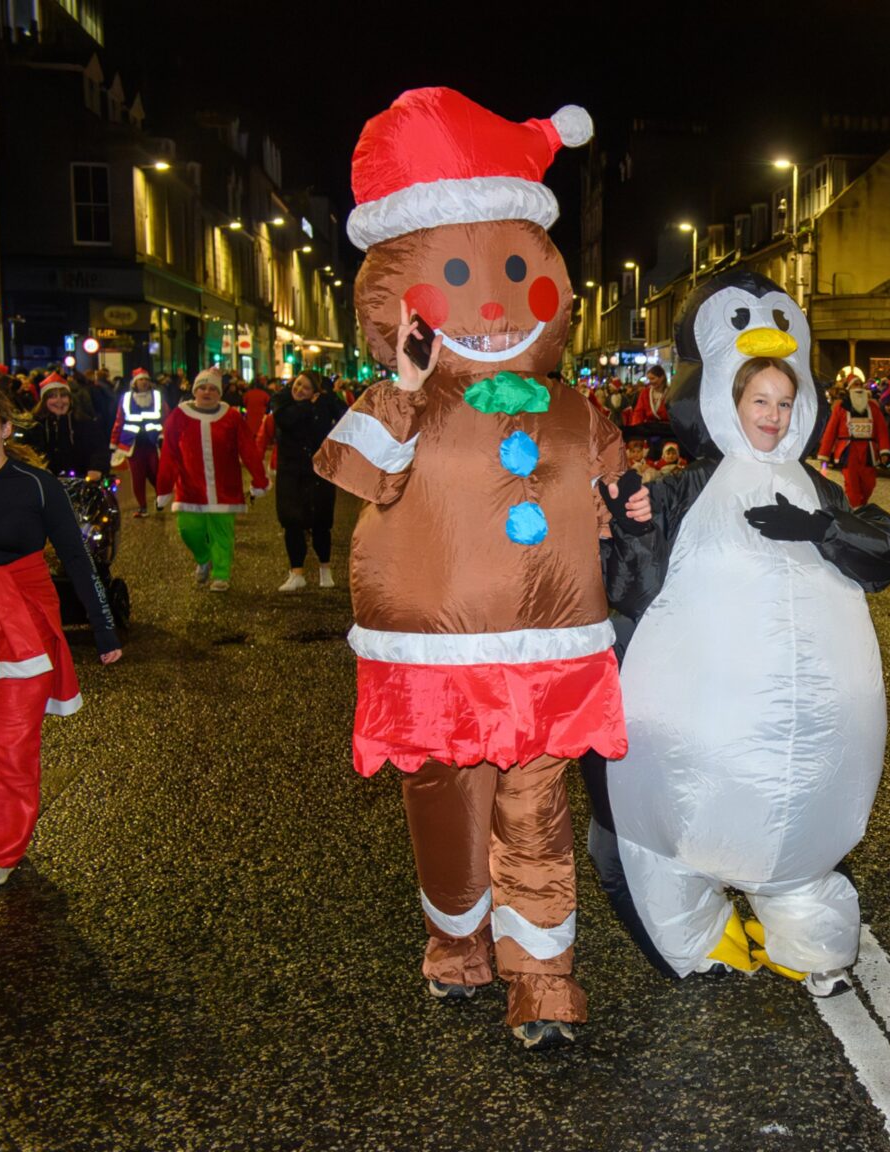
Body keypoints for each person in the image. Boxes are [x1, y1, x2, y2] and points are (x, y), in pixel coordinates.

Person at [314, 87, 623, 1051]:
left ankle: (546, 982)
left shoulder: (579, 411)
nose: (491, 304)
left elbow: (623, 501)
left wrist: (634, 504)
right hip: (436, 655)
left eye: (516, 270)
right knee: (449, 805)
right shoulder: (395, 403)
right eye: (455, 274)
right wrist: (402, 386)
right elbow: (357, 471)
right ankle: (458, 939)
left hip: (549, 647)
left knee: (536, 809)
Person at [593, 270, 890, 996]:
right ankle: (699, 935)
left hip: (815, 731)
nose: (771, 415)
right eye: (758, 400)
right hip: (706, 729)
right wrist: (633, 531)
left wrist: (824, 528)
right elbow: (628, 589)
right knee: (663, 846)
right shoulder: (684, 489)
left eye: (783, 402)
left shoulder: (816, 486)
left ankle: (809, 935)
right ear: (728, 401)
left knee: (801, 854)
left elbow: (888, 550)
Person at [0, 384, 121, 890]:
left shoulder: (36, 485)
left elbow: (76, 558)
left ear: (5, 429)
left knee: (6, 739)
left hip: (20, 627)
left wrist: (103, 627)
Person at [157, 369, 268, 593]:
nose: (207, 392)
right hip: (190, 489)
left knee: (222, 533)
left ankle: (221, 574)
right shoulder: (179, 416)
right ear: (194, 391)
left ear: (219, 393)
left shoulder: (232, 417)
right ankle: (204, 557)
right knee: (188, 530)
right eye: (202, 388)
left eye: (212, 389)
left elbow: (248, 449)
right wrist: (164, 487)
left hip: (225, 488)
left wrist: (259, 479)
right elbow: (169, 453)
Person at [270, 373, 343, 592]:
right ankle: (297, 572)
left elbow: (345, 414)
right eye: (298, 384)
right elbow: (285, 419)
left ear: (315, 393)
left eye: (307, 388)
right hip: (290, 470)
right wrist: (307, 406)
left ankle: (325, 568)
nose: (299, 389)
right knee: (291, 520)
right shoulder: (282, 400)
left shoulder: (323, 403)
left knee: (321, 520)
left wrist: (328, 397)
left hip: (319, 469)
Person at [818, 373, 890, 509]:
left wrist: (884, 451)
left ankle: (861, 505)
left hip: (868, 451)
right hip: (848, 449)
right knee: (852, 483)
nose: (858, 388)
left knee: (869, 483)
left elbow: (881, 430)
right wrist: (824, 454)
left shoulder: (872, 407)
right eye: (855, 385)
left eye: (860, 385)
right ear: (849, 389)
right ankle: (856, 509)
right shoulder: (841, 407)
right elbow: (831, 431)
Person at [23, 378, 107, 480]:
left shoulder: (85, 422)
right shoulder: (34, 425)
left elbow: (99, 448)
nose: (59, 401)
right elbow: (26, 452)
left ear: (70, 399)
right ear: (44, 401)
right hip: (44, 480)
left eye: (63, 396)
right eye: (53, 396)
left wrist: (96, 468)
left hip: (80, 479)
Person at [110, 367, 167, 517]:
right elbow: (119, 420)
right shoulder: (126, 398)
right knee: (137, 477)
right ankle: (142, 507)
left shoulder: (157, 397)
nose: (144, 382)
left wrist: (164, 435)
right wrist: (113, 442)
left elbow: (166, 418)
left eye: (146, 380)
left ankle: (160, 500)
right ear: (135, 382)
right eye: (141, 380)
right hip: (132, 444)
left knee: (156, 474)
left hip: (152, 442)